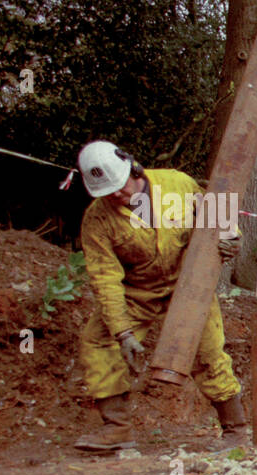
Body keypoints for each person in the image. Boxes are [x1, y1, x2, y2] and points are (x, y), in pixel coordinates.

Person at [72, 140, 247, 452]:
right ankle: (117, 429)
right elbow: (105, 278)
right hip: (135, 293)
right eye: (106, 192)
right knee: (99, 342)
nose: (115, 196)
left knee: (207, 352)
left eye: (119, 187)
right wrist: (122, 332)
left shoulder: (176, 184)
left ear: (133, 168)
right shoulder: (97, 220)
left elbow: (217, 211)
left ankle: (235, 429)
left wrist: (231, 237)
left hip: (188, 284)